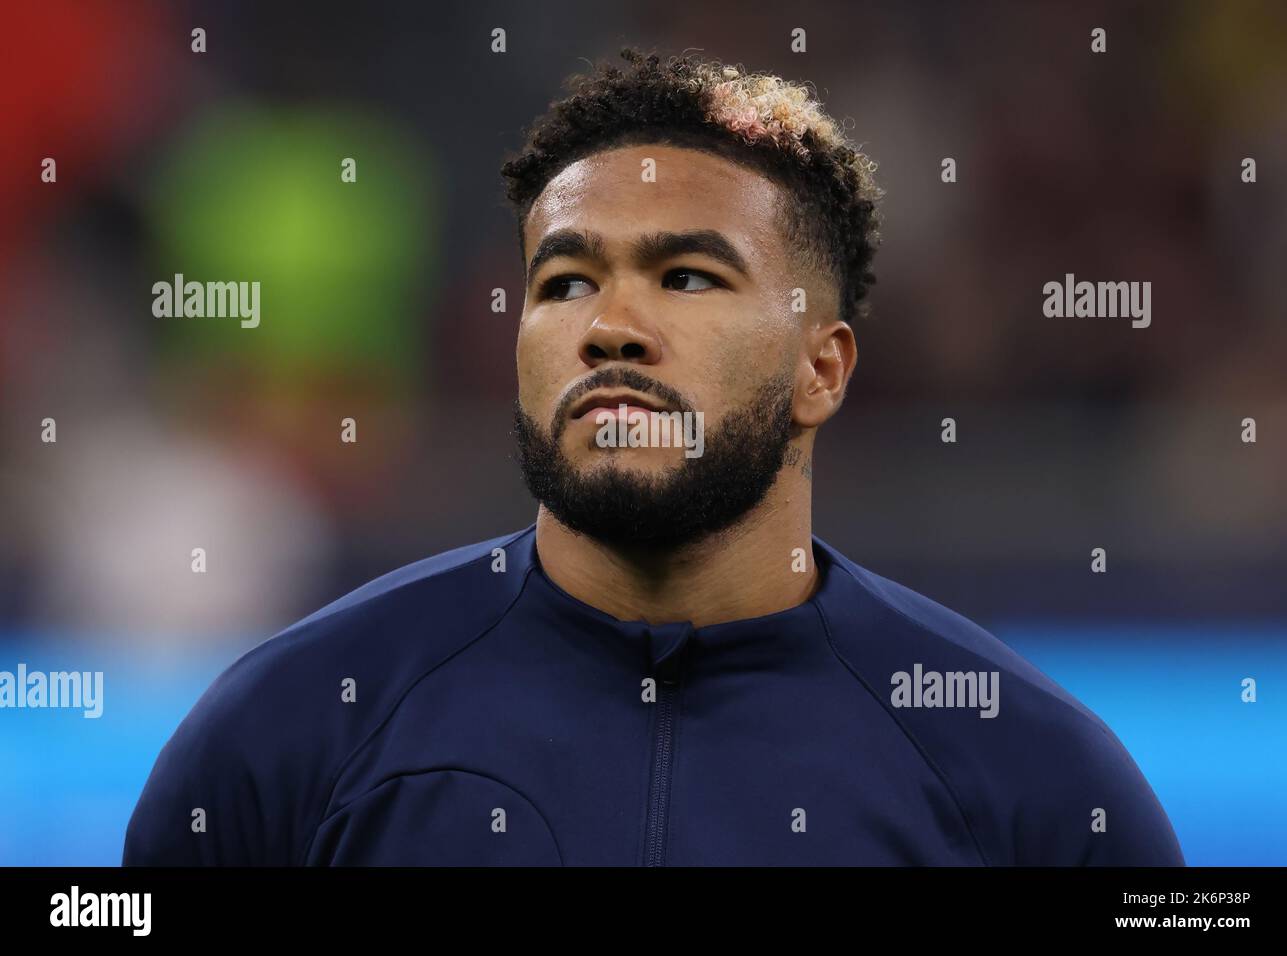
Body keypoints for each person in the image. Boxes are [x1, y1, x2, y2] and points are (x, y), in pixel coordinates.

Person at [123, 49, 1183, 866]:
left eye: (686, 277)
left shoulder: (1033, 780)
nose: (610, 325)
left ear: (823, 368)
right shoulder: (287, 731)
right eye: (566, 282)